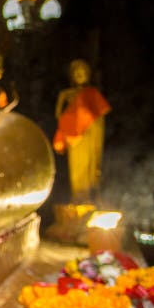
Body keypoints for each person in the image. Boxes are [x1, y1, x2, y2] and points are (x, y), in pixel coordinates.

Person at [53, 59, 111, 203]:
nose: (80, 75)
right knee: (77, 164)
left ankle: (93, 195)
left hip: (91, 133)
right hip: (75, 135)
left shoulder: (93, 93)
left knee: (91, 163)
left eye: (83, 72)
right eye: (76, 73)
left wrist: (89, 122)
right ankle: (79, 196)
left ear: (88, 75)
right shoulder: (65, 94)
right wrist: (73, 121)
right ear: (72, 76)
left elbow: (100, 115)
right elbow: (59, 115)